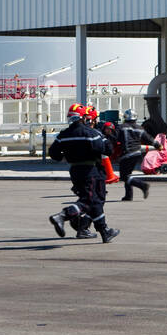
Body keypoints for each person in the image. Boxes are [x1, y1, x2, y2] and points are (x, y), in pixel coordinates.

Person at [47, 104, 120, 242]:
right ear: (82, 117)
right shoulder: (91, 133)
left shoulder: (63, 135)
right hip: (91, 171)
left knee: (96, 200)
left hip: (75, 171)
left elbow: (54, 154)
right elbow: (108, 150)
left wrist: (69, 155)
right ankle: (63, 215)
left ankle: (104, 231)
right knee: (89, 201)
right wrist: (106, 137)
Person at [117, 109, 158, 201]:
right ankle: (128, 195)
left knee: (124, 176)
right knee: (128, 174)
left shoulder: (121, 127)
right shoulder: (140, 128)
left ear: (125, 118)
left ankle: (143, 185)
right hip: (137, 153)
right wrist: (158, 145)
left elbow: (115, 138)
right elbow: (149, 138)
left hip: (126, 154)